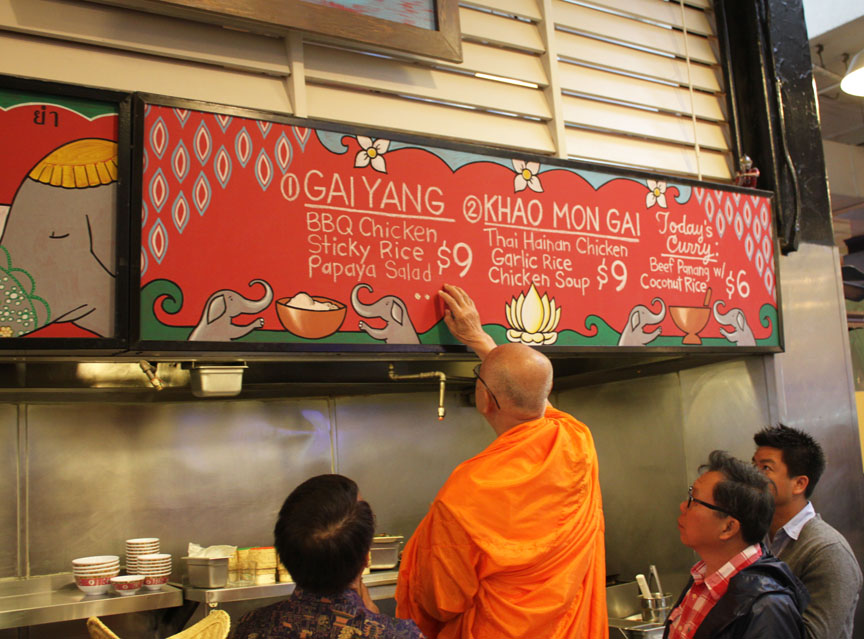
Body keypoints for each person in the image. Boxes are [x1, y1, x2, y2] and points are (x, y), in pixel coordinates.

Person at [395, 284, 607, 639]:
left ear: (483, 398)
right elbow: (531, 397)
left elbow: (440, 602)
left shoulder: (467, 492)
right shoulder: (577, 441)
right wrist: (480, 339)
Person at [233, 474, 424, 639]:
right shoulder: (399, 634)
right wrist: (373, 619)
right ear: (366, 558)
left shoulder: (250, 627)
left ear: (284, 554)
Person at [665, 450, 808, 639]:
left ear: (729, 527)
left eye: (695, 501)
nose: (683, 506)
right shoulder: (702, 577)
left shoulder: (767, 607)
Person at [753, 424, 862, 639]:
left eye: (765, 468)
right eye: (753, 465)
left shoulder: (828, 551)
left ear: (799, 484)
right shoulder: (757, 538)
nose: (752, 476)